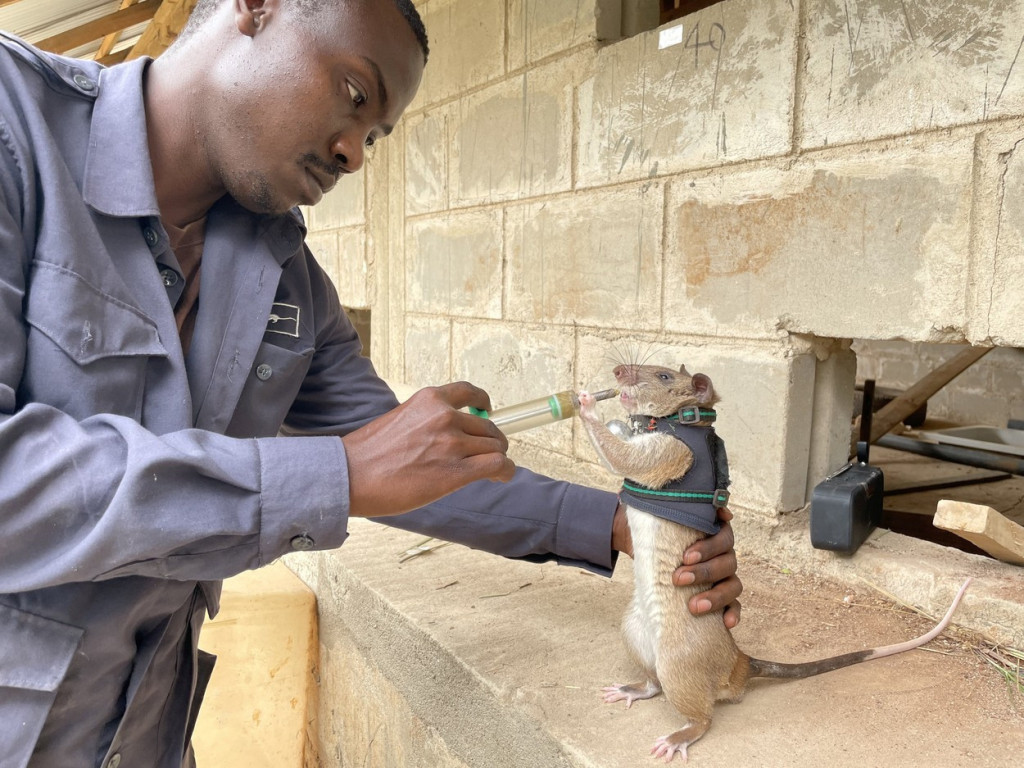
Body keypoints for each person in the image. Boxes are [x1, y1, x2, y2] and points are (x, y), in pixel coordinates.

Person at [0, 1, 742, 766]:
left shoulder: (286, 279)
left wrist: (634, 525)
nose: (355, 154)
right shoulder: (15, 124)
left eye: (377, 135)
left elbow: (415, 472)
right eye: (356, 94)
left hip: (145, 730)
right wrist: (337, 474)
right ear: (254, 8)